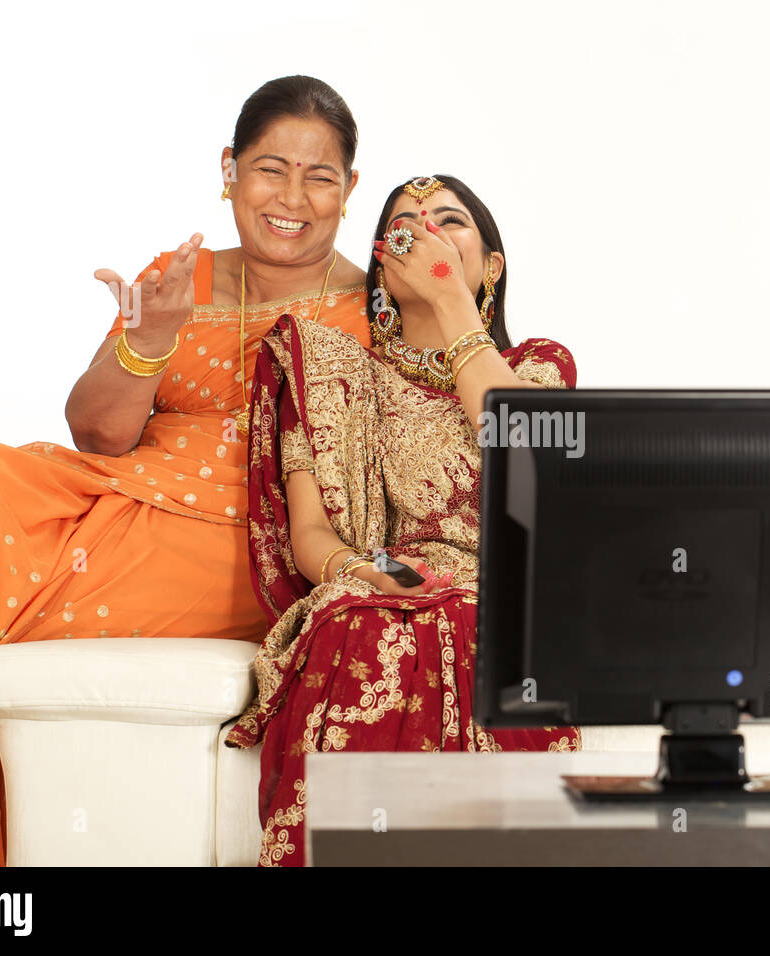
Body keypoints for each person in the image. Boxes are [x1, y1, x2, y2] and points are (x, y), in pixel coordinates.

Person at [0, 75, 370, 867]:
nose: (293, 197)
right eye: (271, 168)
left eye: (320, 177)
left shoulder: (375, 307)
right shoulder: (178, 277)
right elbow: (99, 434)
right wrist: (153, 337)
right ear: (229, 171)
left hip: (247, 535)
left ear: (349, 190)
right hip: (119, 492)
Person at [225, 175, 581, 867]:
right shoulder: (328, 371)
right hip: (378, 582)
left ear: (493, 266)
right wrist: (381, 572)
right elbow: (312, 537)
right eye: (407, 225)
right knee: (359, 620)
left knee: (478, 622)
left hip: (509, 591)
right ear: (384, 260)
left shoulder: (538, 367)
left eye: (450, 222)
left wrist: (452, 303)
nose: (428, 234)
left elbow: (524, 445)